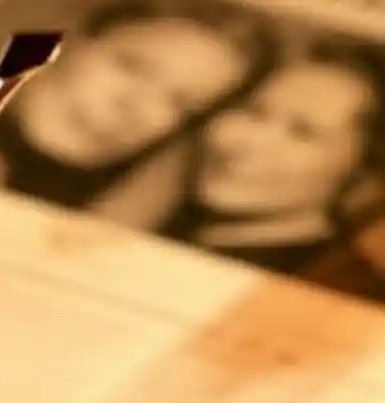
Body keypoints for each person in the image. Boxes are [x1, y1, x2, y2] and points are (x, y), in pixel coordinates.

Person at [0, 0, 276, 218]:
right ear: (75, 39)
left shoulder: (144, 200)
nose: (139, 104)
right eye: (133, 66)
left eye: (179, 101)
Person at [164, 42, 385, 282]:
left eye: (303, 132)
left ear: (363, 170)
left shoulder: (325, 283)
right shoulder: (172, 223)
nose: (246, 142)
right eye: (253, 111)